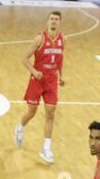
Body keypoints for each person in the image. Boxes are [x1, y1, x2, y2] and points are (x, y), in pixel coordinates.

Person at [15, 10, 65, 165]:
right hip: (37, 79)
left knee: (50, 114)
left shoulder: (63, 39)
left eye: (56, 19)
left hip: (52, 80)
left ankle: (46, 149)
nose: (54, 21)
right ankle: (20, 127)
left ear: (60, 22)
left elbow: (60, 59)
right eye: (51, 19)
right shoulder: (39, 39)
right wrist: (34, 72)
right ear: (47, 21)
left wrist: (61, 75)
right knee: (32, 111)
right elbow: (24, 59)